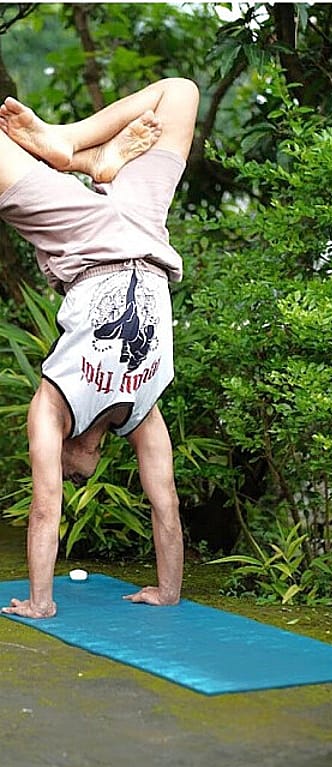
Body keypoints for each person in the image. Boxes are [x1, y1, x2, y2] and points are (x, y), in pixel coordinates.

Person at [0, 78, 199, 620]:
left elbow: (45, 510)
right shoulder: (143, 410)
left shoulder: (52, 404)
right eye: (67, 475)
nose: (62, 476)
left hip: (82, 237)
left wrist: (41, 602)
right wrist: (169, 589)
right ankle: (84, 155)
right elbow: (167, 506)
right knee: (181, 92)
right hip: (145, 228)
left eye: (60, 473)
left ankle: (79, 152)